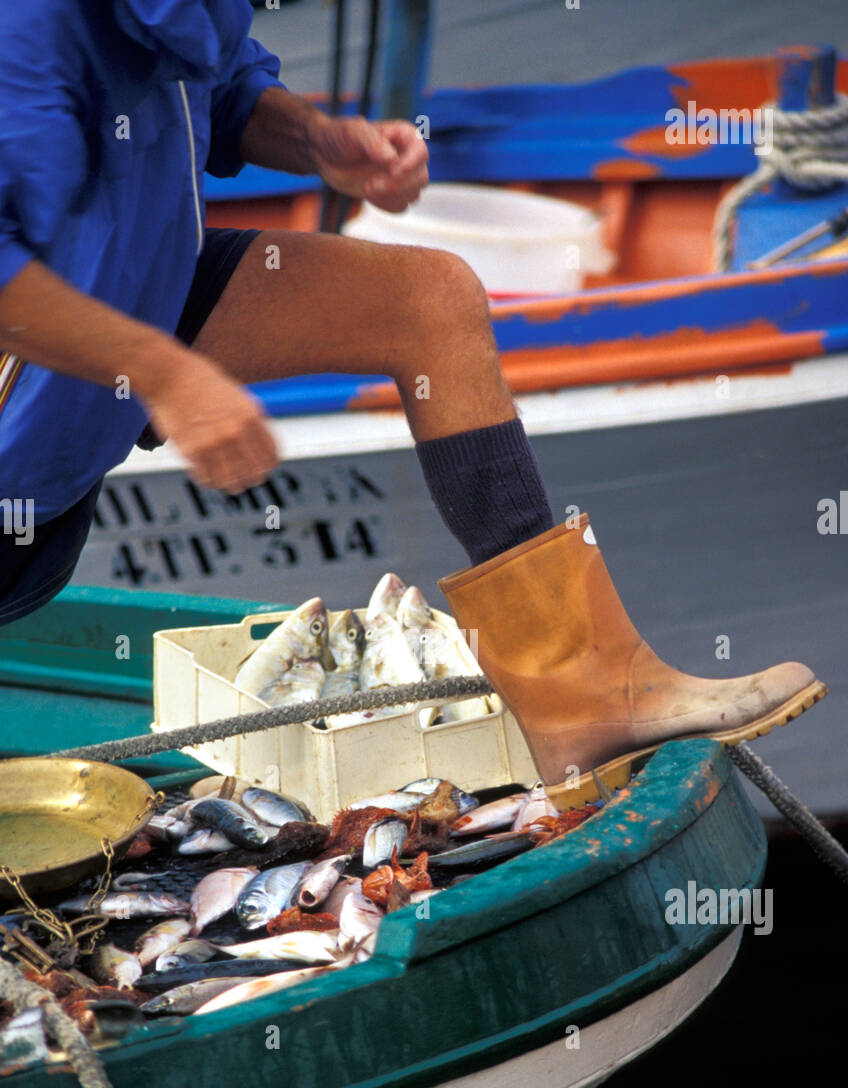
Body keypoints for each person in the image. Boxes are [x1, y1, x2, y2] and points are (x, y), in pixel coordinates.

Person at [0, 0, 824, 786]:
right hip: (36, 379)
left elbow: (214, 81)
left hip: (125, 303)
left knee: (427, 301)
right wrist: (165, 373)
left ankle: (586, 694)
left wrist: (319, 140)